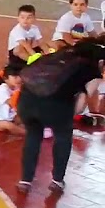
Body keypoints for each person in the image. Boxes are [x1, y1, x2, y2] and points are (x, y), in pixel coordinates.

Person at [15, 37, 105, 193]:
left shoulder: (58, 55)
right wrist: (69, 114)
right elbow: (79, 106)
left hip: (26, 101)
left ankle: (25, 180)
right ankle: (57, 180)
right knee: (63, 136)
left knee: (33, 135)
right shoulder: (92, 70)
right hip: (55, 106)